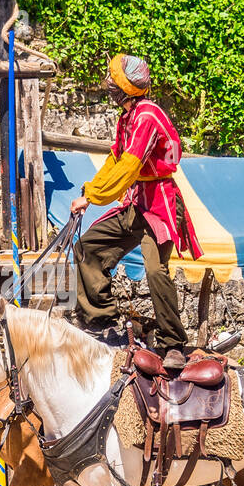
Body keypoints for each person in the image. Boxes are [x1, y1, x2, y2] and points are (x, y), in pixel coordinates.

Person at [69, 53, 201, 369]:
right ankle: (105, 323)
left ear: (126, 89)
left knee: (156, 270)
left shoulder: (147, 117)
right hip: (135, 203)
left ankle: (173, 345)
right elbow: (116, 158)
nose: (109, 85)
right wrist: (90, 189)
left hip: (160, 205)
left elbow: (130, 165)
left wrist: (93, 198)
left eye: (113, 81)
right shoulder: (128, 117)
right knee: (88, 247)